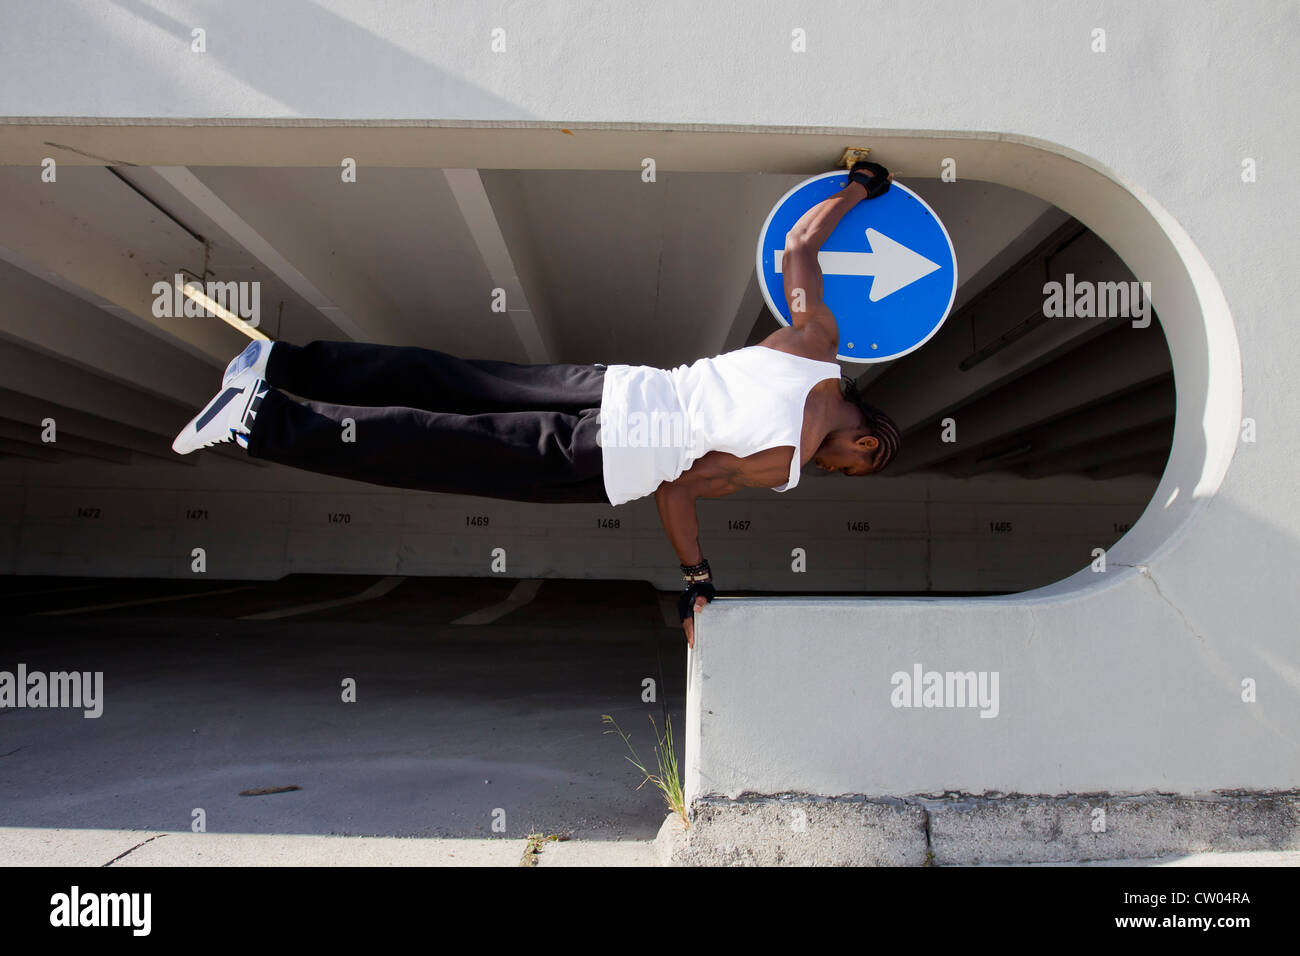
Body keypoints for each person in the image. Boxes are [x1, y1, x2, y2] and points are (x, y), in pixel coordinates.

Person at [172, 161, 901, 647]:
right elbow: (680, 486)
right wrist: (697, 582)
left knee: (448, 381)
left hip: (612, 386)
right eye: (850, 470)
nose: (835, 471)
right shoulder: (786, 463)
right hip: (607, 458)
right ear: (863, 443)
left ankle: (279, 361)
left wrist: (860, 187)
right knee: (436, 446)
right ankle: (257, 418)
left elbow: (801, 242)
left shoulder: (814, 341)